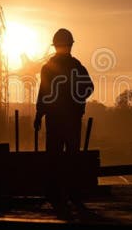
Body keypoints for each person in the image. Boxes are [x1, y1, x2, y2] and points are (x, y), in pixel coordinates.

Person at [34, 28, 94, 205]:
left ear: (55, 46)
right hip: (71, 120)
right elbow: (89, 87)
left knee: (54, 156)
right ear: (69, 46)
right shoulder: (76, 66)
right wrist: (77, 99)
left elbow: (43, 93)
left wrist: (39, 114)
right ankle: (73, 193)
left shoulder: (48, 68)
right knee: (72, 157)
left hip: (55, 120)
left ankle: (55, 194)